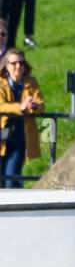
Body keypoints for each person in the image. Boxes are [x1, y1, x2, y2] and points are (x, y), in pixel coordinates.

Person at [0, 47, 43, 188]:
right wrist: (20, 107)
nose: (18, 66)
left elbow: (41, 105)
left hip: (19, 137)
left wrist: (33, 106)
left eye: (21, 63)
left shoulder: (31, 82)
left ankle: (14, 207)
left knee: (11, 179)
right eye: (14, 63)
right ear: (6, 66)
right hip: (2, 134)